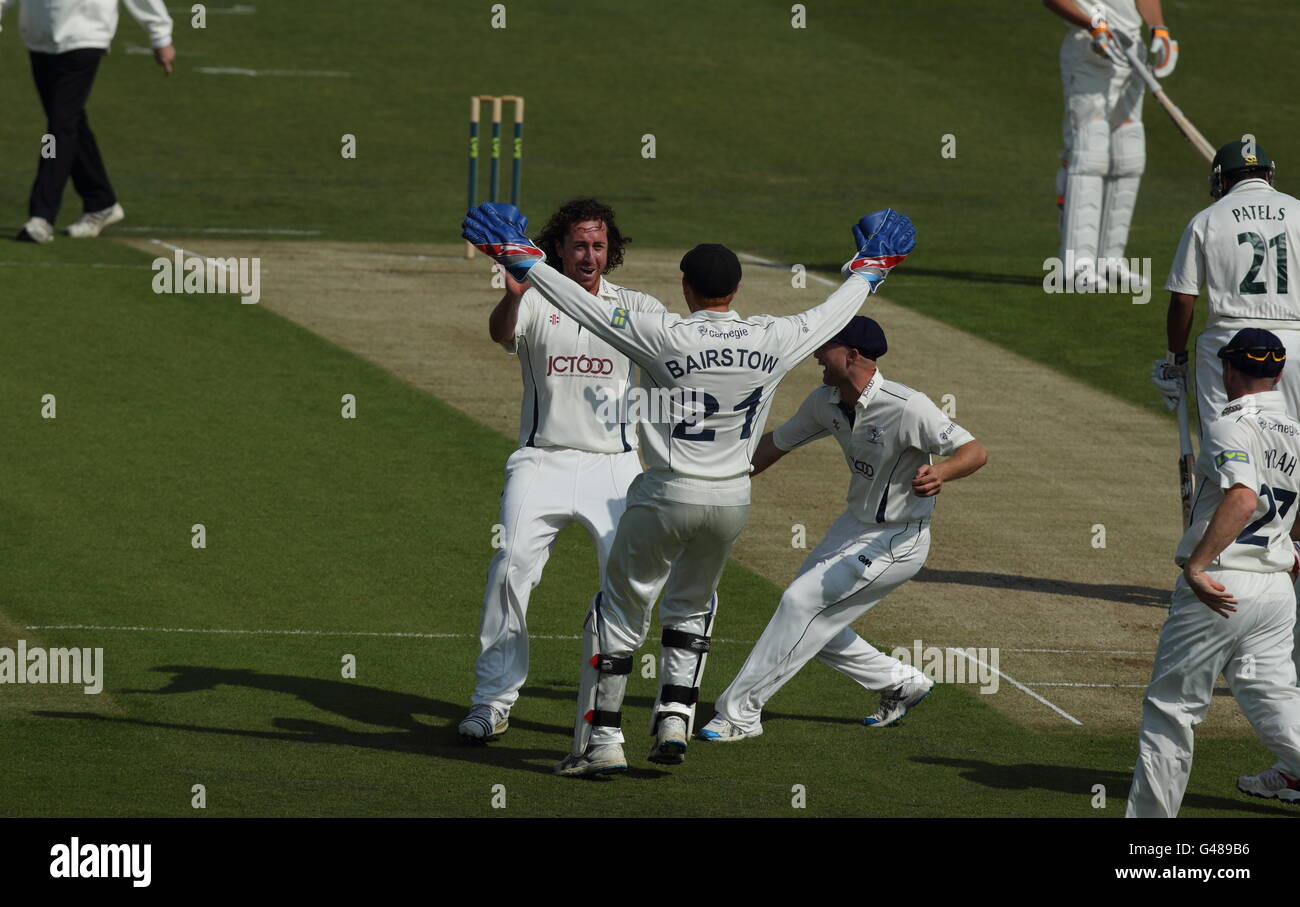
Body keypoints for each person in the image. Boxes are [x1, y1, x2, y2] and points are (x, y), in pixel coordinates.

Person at [462, 202, 916, 777]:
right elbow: (829, 315)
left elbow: (583, 306)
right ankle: (675, 714)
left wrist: (523, 258)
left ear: (685, 287)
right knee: (692, 605)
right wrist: (872, 268)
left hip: (662, 492)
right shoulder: (774, 337)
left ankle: (601, 741)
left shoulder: (661, 331)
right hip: (730, 500)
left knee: (618, 614)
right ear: (738, 287)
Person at [697, 316, 986, 742]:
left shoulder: (906, 405)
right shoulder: (825, 401)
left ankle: (740, 713)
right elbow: (775, 444)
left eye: (825, 346)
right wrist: (713, 478)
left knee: (800, 604)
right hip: (851, 526)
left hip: (899, 538)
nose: (815, 352)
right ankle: (899, 683)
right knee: (810, 621)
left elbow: (974, 451)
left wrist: (942, 471)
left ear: (851, 354)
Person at [458, 199, 665, 742]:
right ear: (560, 248)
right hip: (541, 460)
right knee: (509, 569)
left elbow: (673, 360)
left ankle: (608, 714)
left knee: (628, 592)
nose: (588, 255)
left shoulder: (637, 306)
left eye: (598, 245)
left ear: (610, 250)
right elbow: (501, 334)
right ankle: (493, 702)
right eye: (578, 245)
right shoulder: (535, 294)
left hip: (615, 467)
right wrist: (512, 295)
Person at [1126, 329, 1300, 817]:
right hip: (1276, 589)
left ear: (1227, 370)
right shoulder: (1297, 434)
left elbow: (1242, 499)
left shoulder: (1228, 426)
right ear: (1279, 374)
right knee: (1277, 704)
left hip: (1222, 586)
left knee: (1171, 709)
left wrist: (1197, 565)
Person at [1152, 140, 1300, 436]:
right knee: (1290, 455)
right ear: (1268, 175)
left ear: (1223, 179)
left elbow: (1183, 299)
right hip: (1294, 344)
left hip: (1228, 345)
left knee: (1227, 448)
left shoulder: (1207, 218)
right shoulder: (1297, 210)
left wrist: (1175, 359)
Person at [1, 0, 174, 244]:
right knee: (68, 122)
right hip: (39, 38)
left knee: (59, 126)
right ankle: (101, 202)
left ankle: (42, 216)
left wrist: (160, 36)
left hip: (85, 35)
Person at [1043, 0, 1176, 289]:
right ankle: (1077, 266)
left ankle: (1110, 260)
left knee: (1129, 155)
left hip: (1131, 50)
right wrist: (1092, 25)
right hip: (1090, 49)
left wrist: (1159, 28)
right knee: (1089, 152)